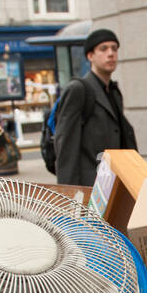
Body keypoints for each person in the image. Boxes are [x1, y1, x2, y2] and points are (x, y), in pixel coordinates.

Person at [53, 28, 138, 188]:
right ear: (90, 56)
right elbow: (66, 145)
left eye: (114, 48)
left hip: (113, 184)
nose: (111, 53)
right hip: (89, 186)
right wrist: (69, 195)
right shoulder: (78, 89)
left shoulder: (113, 92)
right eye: (103, 49)